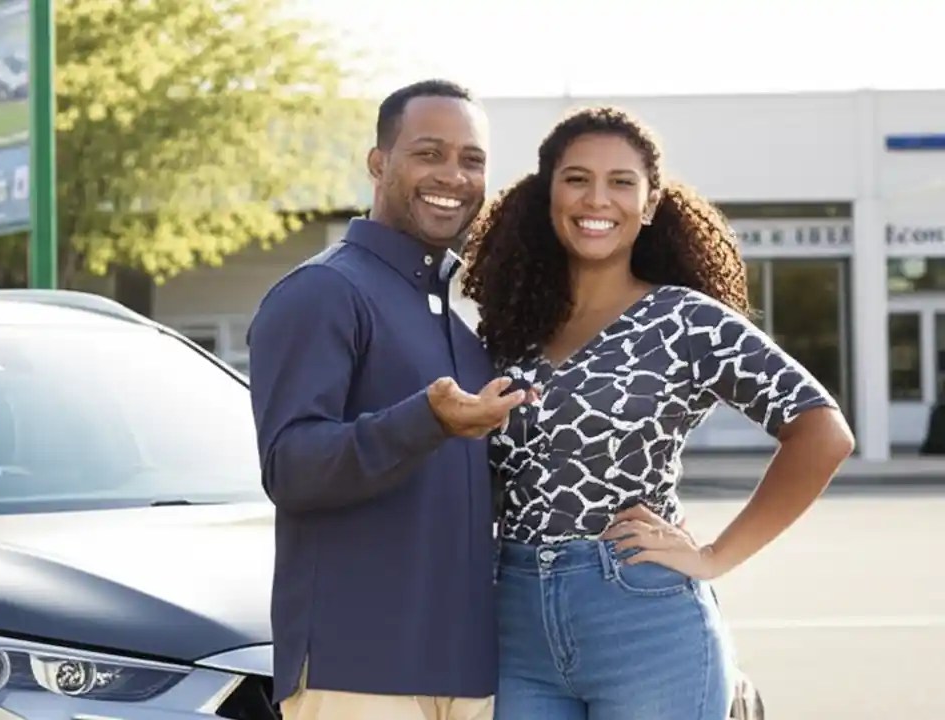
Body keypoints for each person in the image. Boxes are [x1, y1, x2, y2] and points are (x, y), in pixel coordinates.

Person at [460, 105, 855, 720]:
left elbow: (822, 431)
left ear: (648, 205)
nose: (598, 198)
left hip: (641, 615)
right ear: (548, 196)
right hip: (514, 620)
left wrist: (715, 556)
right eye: (576, 178)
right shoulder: (511, 331)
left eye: (621, 182)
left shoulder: (684, 319)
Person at [246, 79, 535, 720]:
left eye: (472, 159)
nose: (452, 176)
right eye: (428, 153)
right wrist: (425, 419)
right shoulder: (322, 293)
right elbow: (291, 468)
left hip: (469, 670)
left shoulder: (465, 316)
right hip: (358, 669)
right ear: (379, 163)